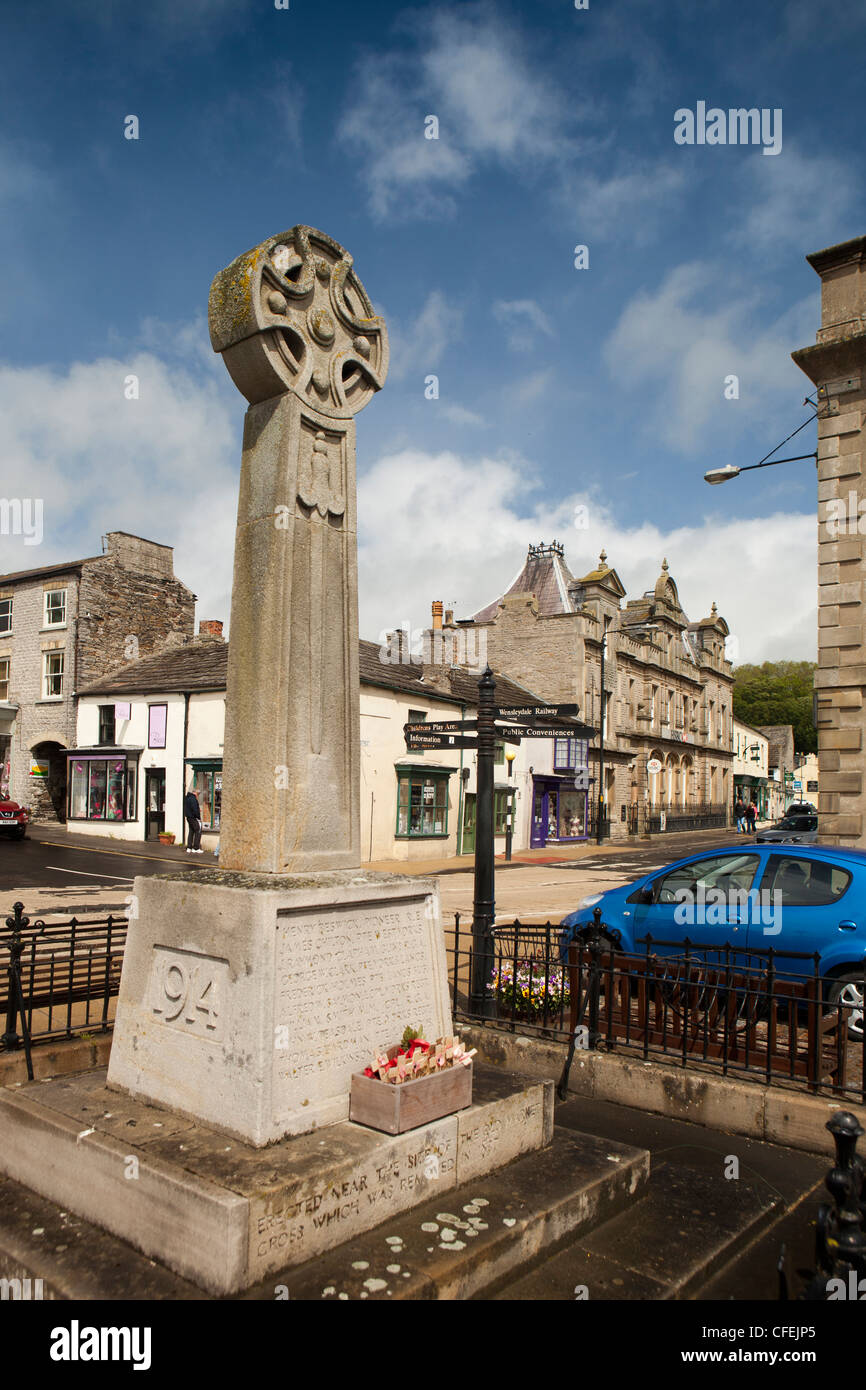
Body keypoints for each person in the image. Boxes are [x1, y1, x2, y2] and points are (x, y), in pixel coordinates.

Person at [184, 787, 203, 853]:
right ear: (196, 793)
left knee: (191, 831)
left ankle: (189, 847)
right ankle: (196, 848)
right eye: (198, 794)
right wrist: (198, 818)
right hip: (193, 818)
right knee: (198, 831)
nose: (198, 796)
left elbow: (188, 808)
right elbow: (195, 810)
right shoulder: (193, 799)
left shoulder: (188, 798)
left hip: (189, 817)